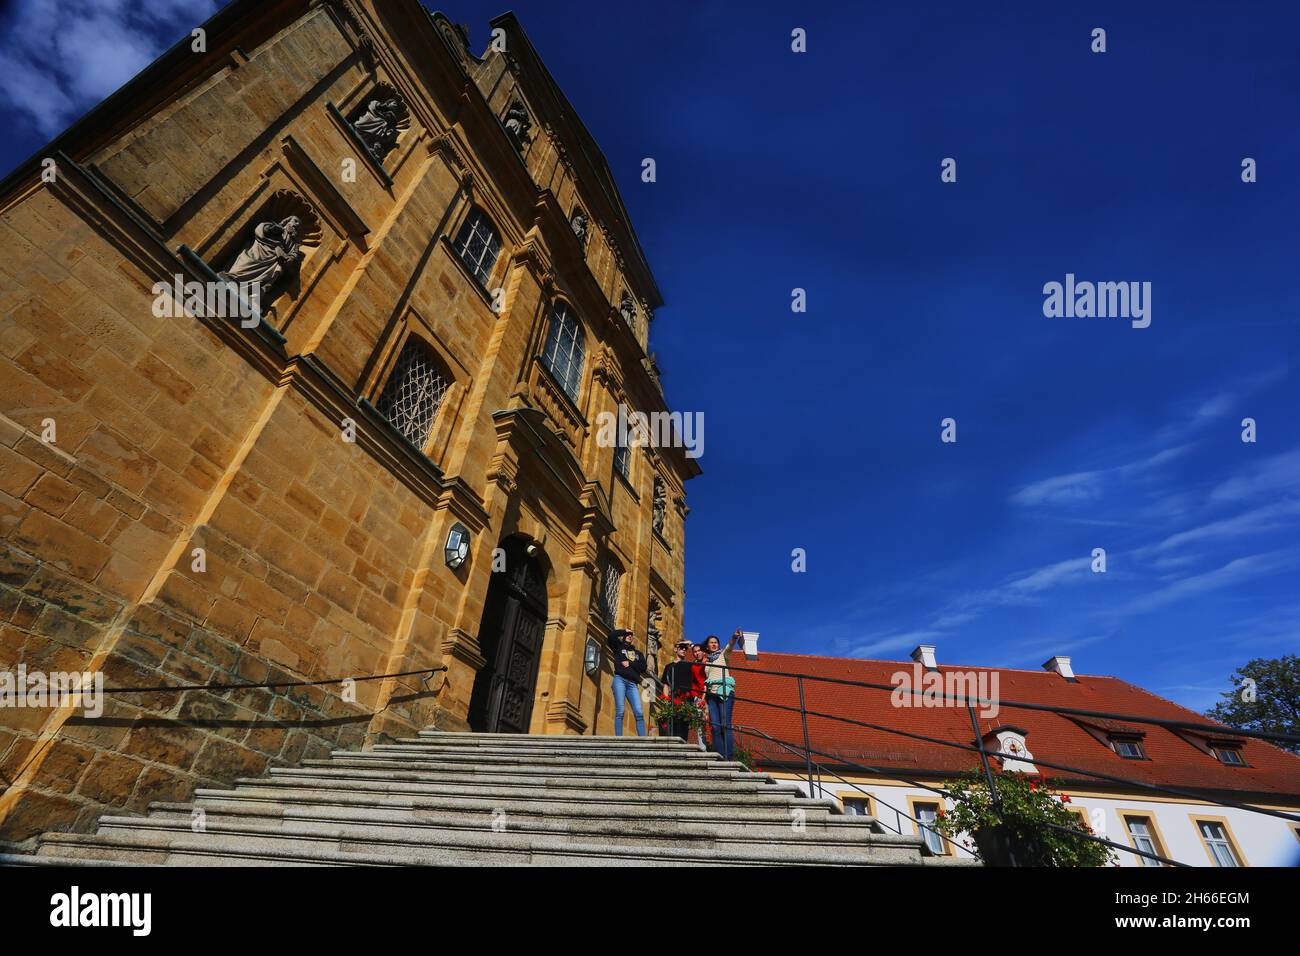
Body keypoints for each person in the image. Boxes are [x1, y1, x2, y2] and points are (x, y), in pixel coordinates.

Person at [702, 630, 742, 759]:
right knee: (715, 727)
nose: (713, 644)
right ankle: (720, 756)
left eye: (715, 642)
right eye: (711, 643)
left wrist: (734, 637)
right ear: (708, 646)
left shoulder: (723, 655)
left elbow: (730, 646)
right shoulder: (707, 661)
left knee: (725, 724)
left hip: (724, 691)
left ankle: (728, 757)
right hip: (711, 694)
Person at [607, 627, 647, 736]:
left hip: (633, 684)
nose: (629, 635)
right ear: (624, 636)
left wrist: (630, 663)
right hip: (620, 679)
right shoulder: (618, 647)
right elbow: (611, 636)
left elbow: (643, 667)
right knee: (620, 711)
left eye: (631, 634)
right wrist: (624, 630)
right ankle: (619, 739)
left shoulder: (638, 653)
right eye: (627, 634)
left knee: (639, 713)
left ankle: (643, 741)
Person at [659, 640, 700, 739]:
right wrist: (665, 699)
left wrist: (689, 645)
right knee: (673, 723)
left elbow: (699, 660)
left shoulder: (689, 665)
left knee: (684, 725)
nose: (683, 650)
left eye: (685, 648)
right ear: (675, 649)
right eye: (681, 647)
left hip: (687, 699)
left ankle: (683, 744)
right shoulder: (669, 666)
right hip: (674, 697)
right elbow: (666, 684)